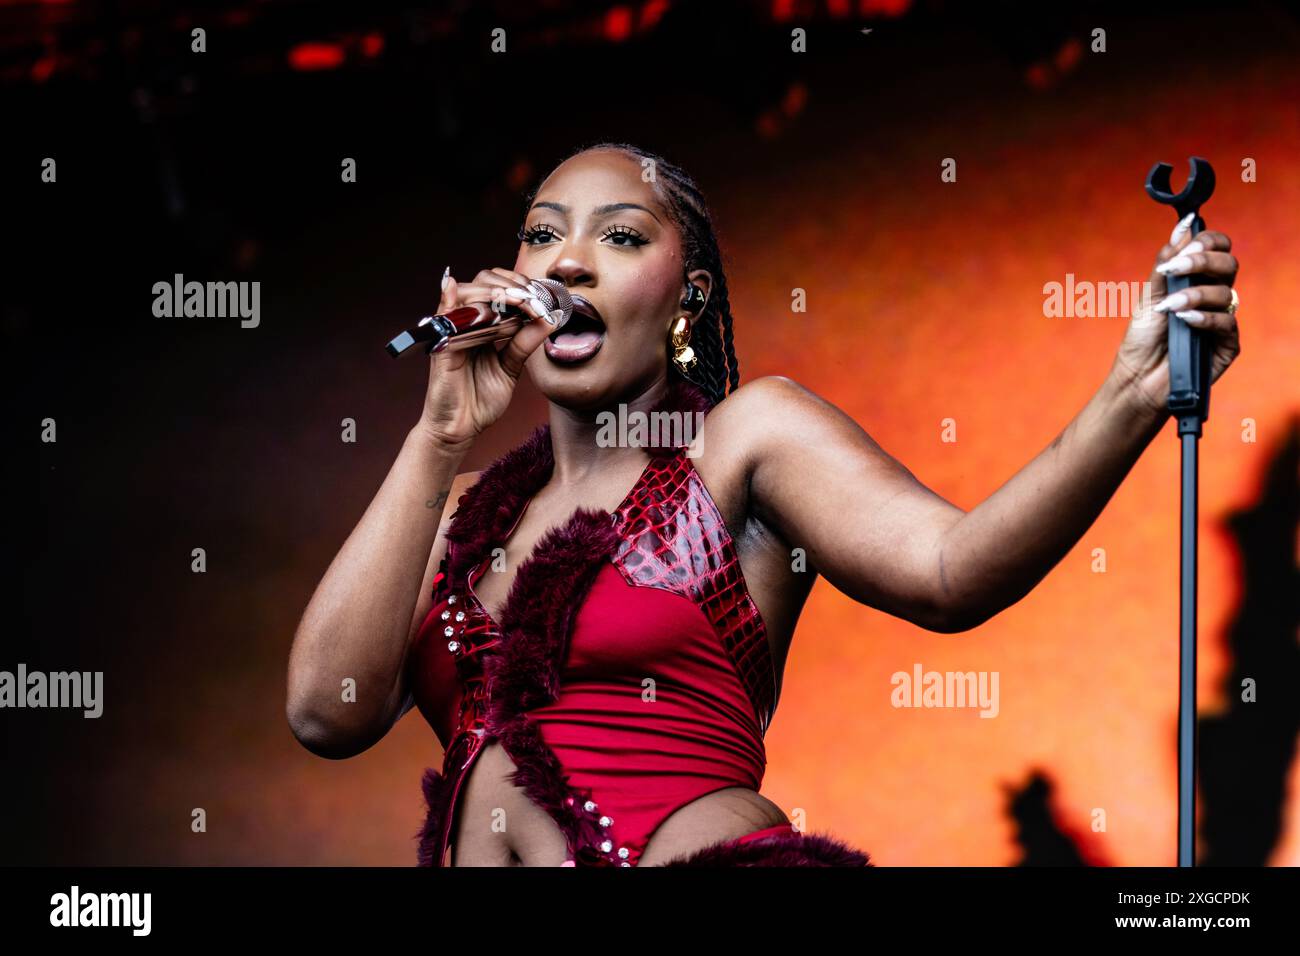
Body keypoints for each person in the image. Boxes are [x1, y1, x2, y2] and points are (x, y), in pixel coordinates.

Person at [286, 141, 1242, 866]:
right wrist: (439, 436)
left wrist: (1132, 395)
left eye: (620, 236)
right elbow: (328, 713)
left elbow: (952, 572)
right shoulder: (462, 511)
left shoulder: (742, 440)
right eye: (542, 234)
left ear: (688, 300)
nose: (567, 263)